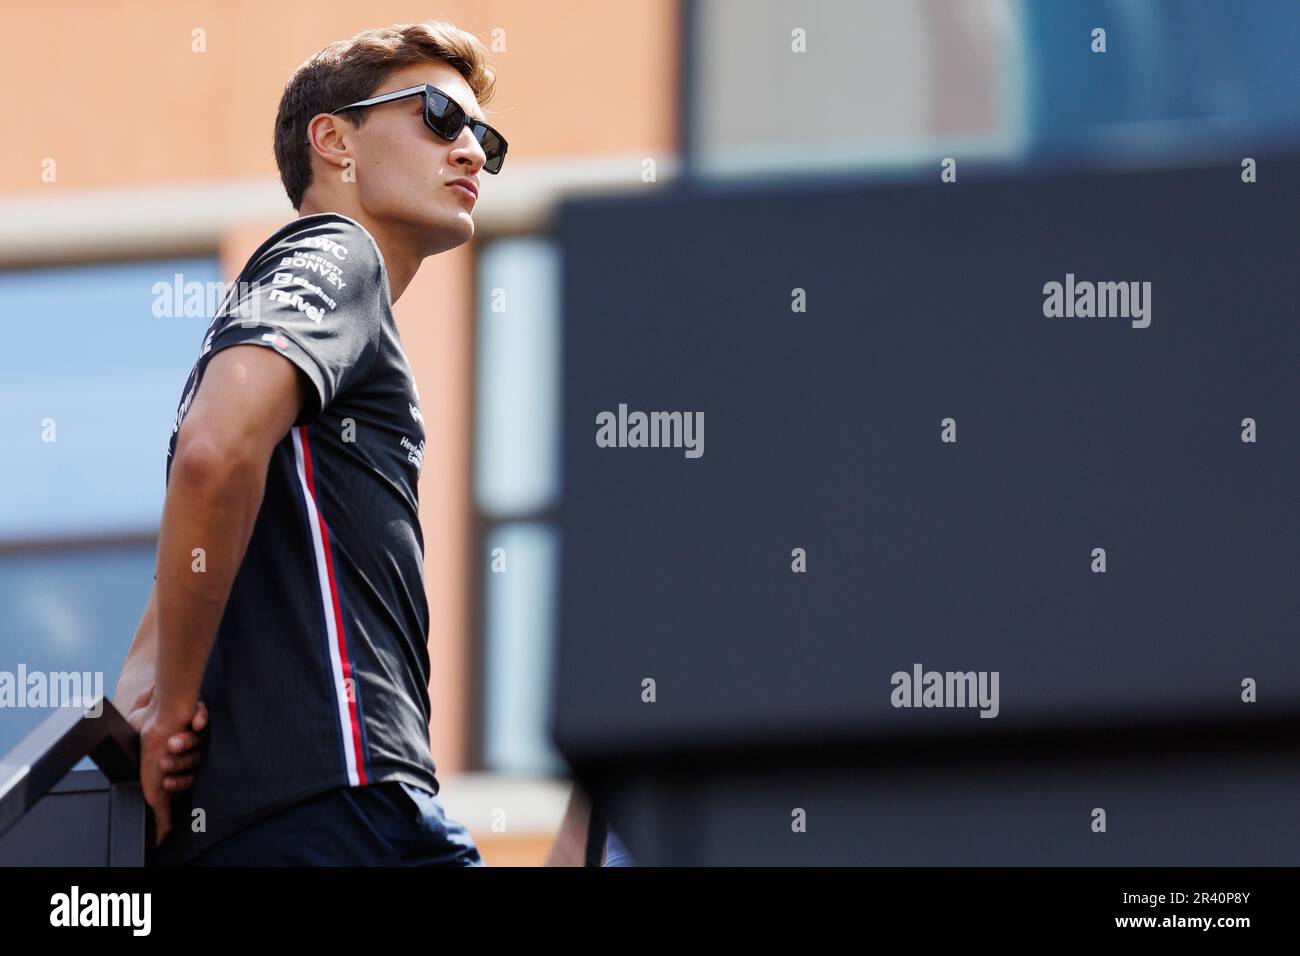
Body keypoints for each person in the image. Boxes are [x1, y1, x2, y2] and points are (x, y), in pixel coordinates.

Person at [113, 20, 507, 866]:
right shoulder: (337, 252)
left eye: (485, 136)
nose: (471, 150)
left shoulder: (271, 345)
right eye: (440, 115)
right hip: (345, 811)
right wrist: (172, 712)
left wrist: (153, 709)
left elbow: (186, 546)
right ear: (334, 141)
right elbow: (213, 458)